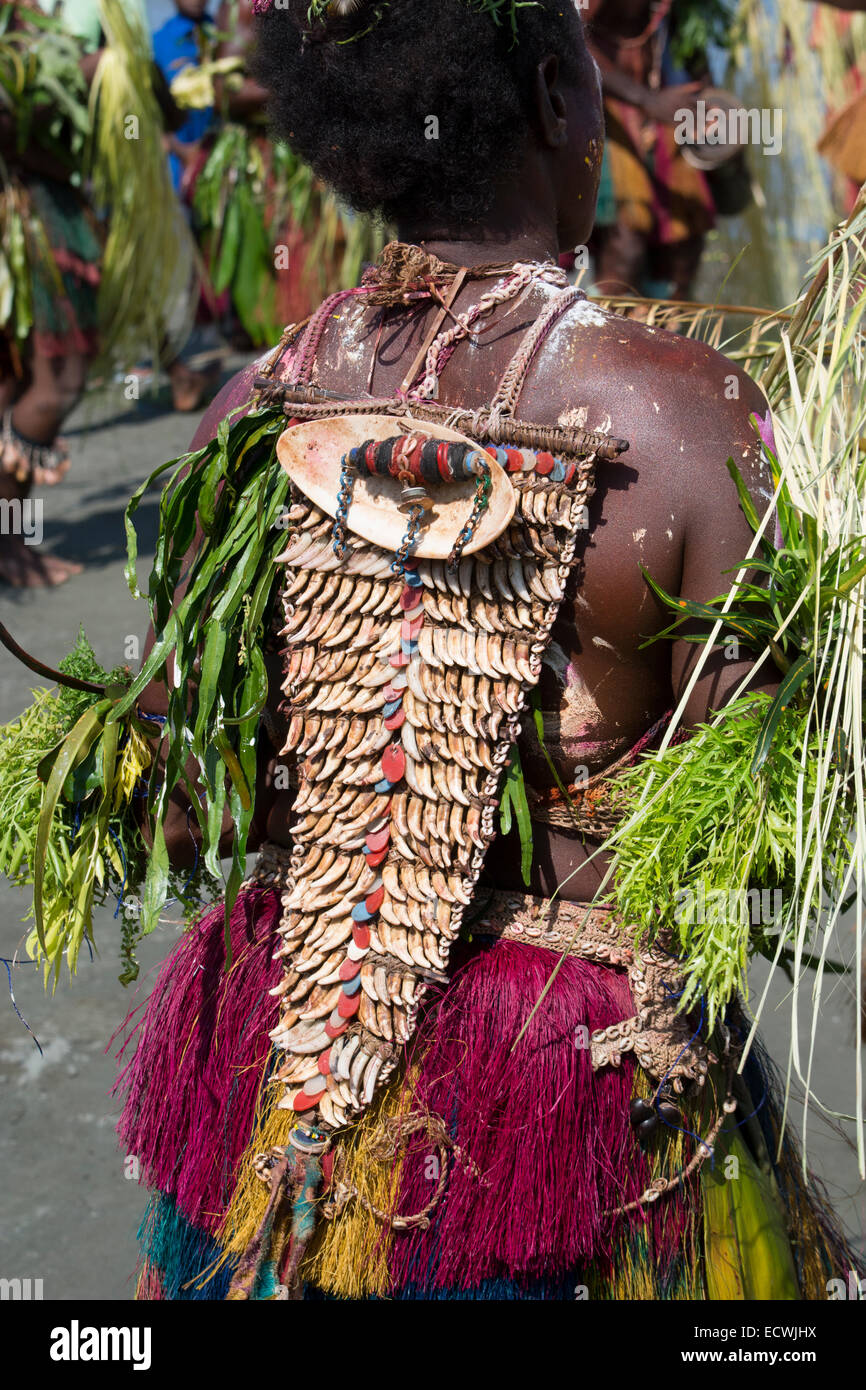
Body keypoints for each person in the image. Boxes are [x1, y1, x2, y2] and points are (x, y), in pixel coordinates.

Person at [113, 0, 857, 1300]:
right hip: (574, 1096)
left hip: (294, 1062)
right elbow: (782, 834)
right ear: (563, 105)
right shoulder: (689, 419)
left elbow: (188, 798)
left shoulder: (245, 412)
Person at [583, 0, 717, 299]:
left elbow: (689, 27)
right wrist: (645, 100)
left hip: (662, 96)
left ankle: (671, 332)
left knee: (687, 234)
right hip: (606, 103)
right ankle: (607, 333)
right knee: (627, 242)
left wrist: (712, 99)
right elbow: (572, 39)